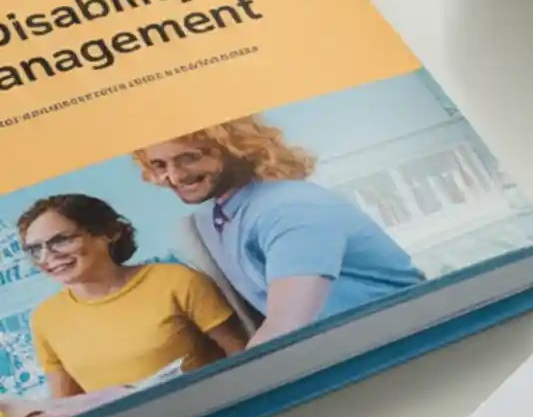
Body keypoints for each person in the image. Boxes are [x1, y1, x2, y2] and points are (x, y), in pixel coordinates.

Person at [133, 116, 426, 349]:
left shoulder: (288, 209)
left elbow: (287, 327)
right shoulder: (215, 218)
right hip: (349, 352)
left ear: (234, 147)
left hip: (407, 343)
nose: (175, 176)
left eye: (190, 157)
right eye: (159, 165)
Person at [18, 194, 247, 398]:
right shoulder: (46, 319)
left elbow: (241, 353)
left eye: (60, 240)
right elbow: (66, 407)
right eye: (35, 250)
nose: (47, 256)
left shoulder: (176, 281)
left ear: (109, 233)